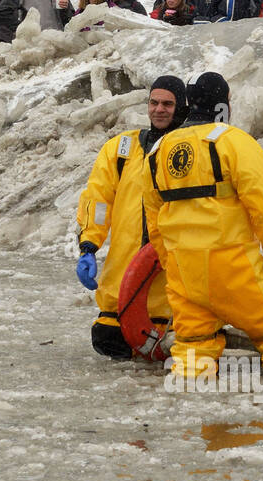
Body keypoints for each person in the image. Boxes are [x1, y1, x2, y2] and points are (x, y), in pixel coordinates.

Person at [141, 71, 263, 379]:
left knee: (193, 349)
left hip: (184, 274)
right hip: (233, 268)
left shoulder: (157, 152)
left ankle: (190, 419)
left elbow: (154, 221)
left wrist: (175, 266)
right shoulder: (235, 143)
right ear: (223, 104)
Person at [75, 76, 190, 359]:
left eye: (167, 104)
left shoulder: (188, 151)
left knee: (170, 351)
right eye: (154, 102)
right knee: (107, 339)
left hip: (171, 288)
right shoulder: (120, 150)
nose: (159, 109)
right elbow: (99, 200)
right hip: (122, 284)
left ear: (181, 108)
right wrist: (89, 246)